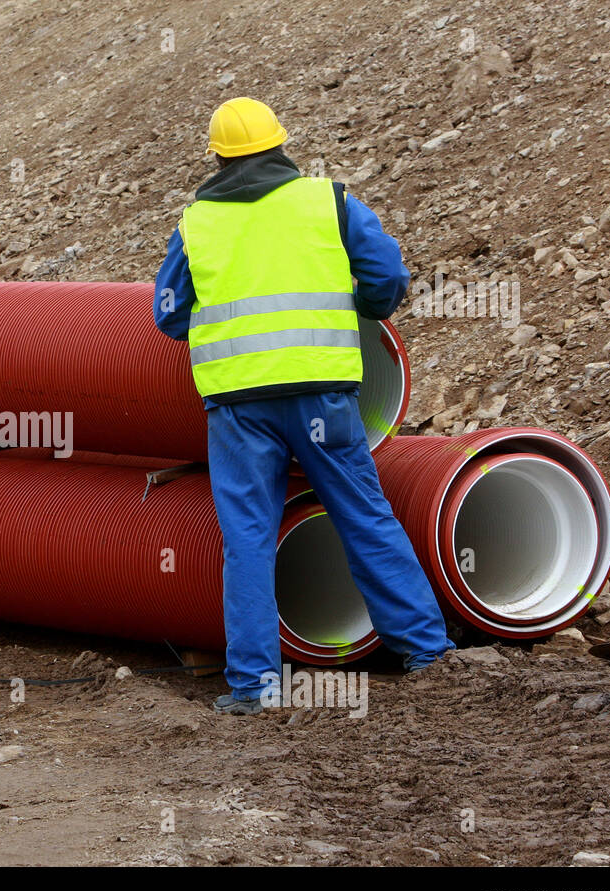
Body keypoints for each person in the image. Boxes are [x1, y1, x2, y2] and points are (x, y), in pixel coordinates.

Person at [153, 98, 454, 715]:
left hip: (239, 407)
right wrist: (363, 309)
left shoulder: (197, 222)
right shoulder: (329, 201)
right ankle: (425, 651)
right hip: (323, 394)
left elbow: (167, 313)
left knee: (249, 541)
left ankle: (253, 688)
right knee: (363, 517)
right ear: (281, 144)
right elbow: (388, 278)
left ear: (216, 155)